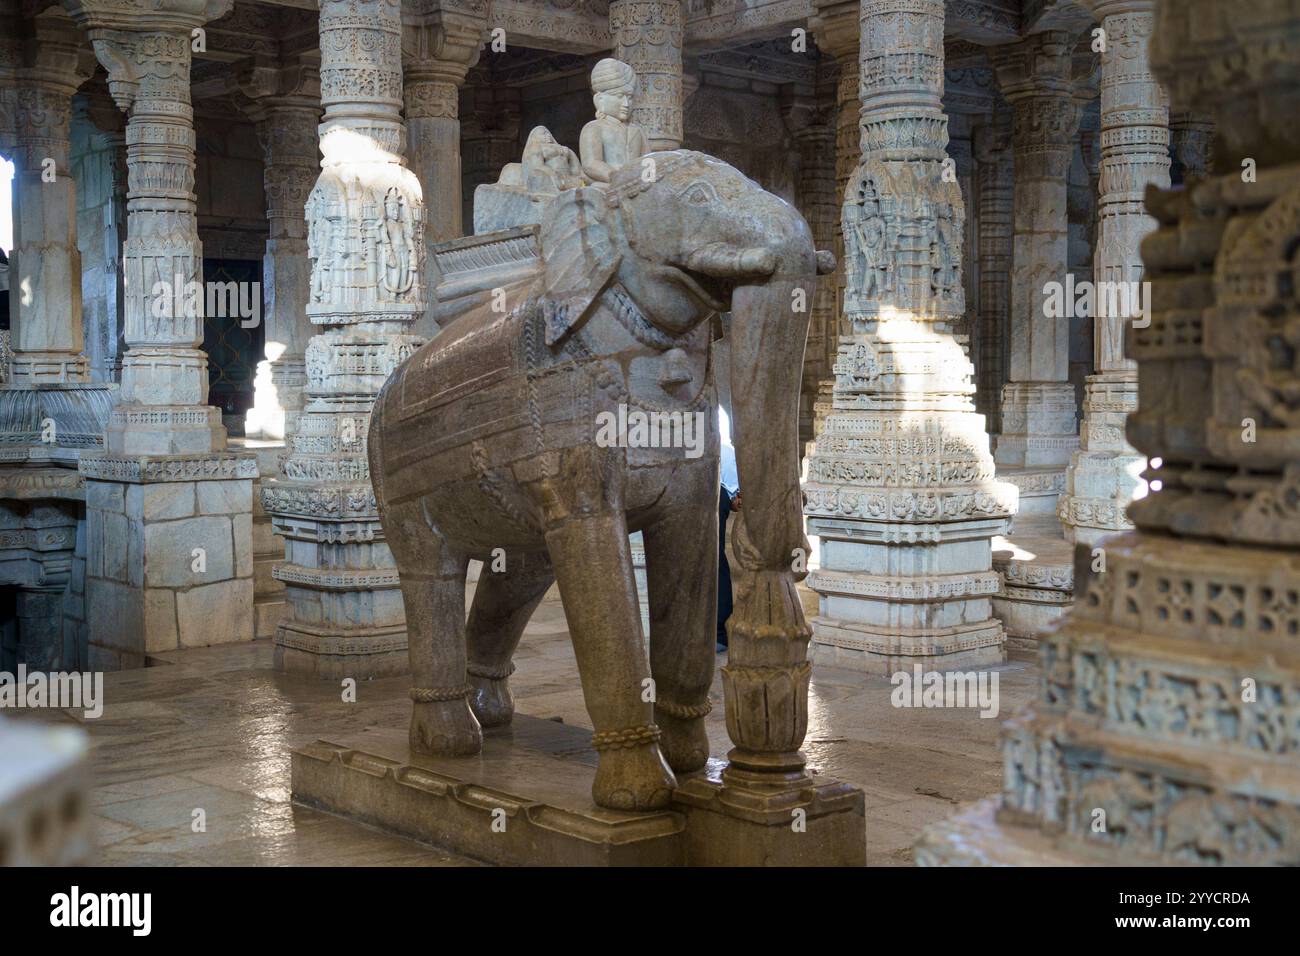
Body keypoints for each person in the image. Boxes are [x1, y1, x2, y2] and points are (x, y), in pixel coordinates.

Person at [579, 58, 649, 185]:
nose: (626, 104)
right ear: (600, 99)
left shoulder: (637, 131)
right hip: (608, 185)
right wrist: (616, 176)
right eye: (619, 96)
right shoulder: (593, 128)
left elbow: (648, 160)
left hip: (637, 185)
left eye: (630, 97)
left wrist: (650, 180)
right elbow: (591, 164)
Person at [717, 409, 741, 653]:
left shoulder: (725, 451)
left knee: (714, 562)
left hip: (716, 494)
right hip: (717, 494)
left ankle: (720, 633)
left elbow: (735, 499)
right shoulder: (727, 451)